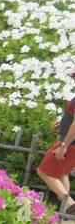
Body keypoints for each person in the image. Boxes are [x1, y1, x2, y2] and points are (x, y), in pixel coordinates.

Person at [38, 81, 75, 216]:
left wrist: (64, 146)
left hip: (69, 144)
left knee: (43, 171)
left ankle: (69, 203)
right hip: (70, 143)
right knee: (61, 173)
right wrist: (64, 121)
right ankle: (66, 209)